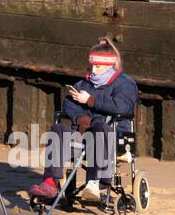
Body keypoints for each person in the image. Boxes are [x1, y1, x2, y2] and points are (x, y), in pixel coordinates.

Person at [29, 38, 138, 202]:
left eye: (98, 66)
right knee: (58, 129)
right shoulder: (83, 84)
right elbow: (68, 103)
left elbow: (122, 107)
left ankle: (94, 182)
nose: (93, 70)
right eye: (91, 65)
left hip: (112, 137)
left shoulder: (125, 83)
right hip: (83, 135)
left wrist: (90, 100)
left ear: (109, 65)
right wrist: (81, 118)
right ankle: (50, 182)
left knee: (99, 127)